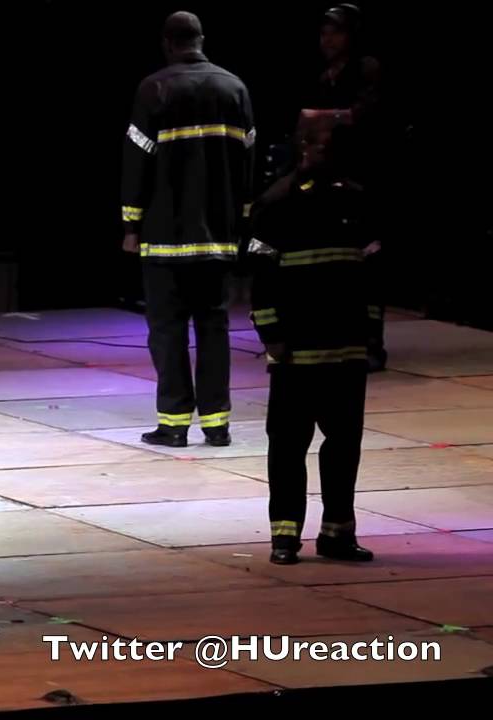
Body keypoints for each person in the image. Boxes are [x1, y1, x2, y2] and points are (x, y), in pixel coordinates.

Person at [120, 11, 256, 448]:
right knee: (214, 327)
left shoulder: (154, 88)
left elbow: (136, 162)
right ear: (201, 39)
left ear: (167, 43)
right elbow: (248, 166)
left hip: (164, 237)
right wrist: (244, 223)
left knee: (167, 329)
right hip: (218, 235)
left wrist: (130, 223)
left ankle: (174, 423)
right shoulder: (235, 87)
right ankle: (217, 424)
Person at [247, 118, 375, 566]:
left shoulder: (356, 200)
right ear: (302, 147)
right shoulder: (277, 203)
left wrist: (371, 338)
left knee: (344, 444)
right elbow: (259, 279)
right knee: (287, 446)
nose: (325, 153)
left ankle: (338, 533)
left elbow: (372, 276)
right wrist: (272, 335)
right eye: (319, 145)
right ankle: (285, 536)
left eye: (333, 146)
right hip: (296, 352)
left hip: (346, 349)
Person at [306, 3, 389, 370]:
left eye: (335, 32)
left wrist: (325, 118)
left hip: (365, 177)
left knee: (368, 261)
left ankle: (372, 343)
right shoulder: (323, 75)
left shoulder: (367, 69)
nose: (328, 40)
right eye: (324, 33)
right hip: (331, 176)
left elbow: (368, 115)